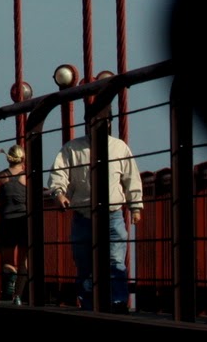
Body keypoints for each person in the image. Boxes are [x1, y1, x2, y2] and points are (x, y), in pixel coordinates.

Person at [49, 126, 144, 311]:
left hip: (112, 213)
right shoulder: (72, 148)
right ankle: (89, 302)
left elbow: (131, 178)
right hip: (85, 214)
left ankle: (117, 302)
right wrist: (59, 193)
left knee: (115, 261)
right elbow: (59, 173)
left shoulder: (119, 147)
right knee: (85, 263)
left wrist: (136, 207)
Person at [0, 144, 29, 303]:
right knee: (24, 261)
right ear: (23, 159)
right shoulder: (27, 176)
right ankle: (18, 296)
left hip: (6, 221)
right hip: (24, 221)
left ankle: (10, 278)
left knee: (7, 261)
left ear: (8, 158)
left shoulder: (0, 177)